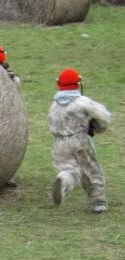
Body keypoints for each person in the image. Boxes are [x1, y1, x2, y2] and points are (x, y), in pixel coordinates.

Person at [48, 68, 112, 213]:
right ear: (78, 84)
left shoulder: (54, 105)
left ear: (58, 84)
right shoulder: (82, 102)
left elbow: (51, 124)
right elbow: (103, 116)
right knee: (91, 170)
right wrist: (99, 127)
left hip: (60, 143)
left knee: (69, 170)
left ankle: (63, 181)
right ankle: (98, 201)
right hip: (80, 140)